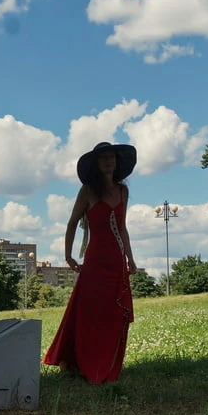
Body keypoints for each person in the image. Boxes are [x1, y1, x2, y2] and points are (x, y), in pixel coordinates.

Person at [43, 141, 137, 384]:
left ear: (116, 162)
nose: (108, 162)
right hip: (95, 261)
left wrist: (130, 258)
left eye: (111, 157)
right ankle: (80, 362)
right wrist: (68, 255)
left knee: (114, 315)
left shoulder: (123, 191)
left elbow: (123, 228)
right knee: (89, 313)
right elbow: (72, 222)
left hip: (117, 261)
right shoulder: (87, 191)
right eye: (103, 158)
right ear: (96, 163)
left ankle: (109, 363)